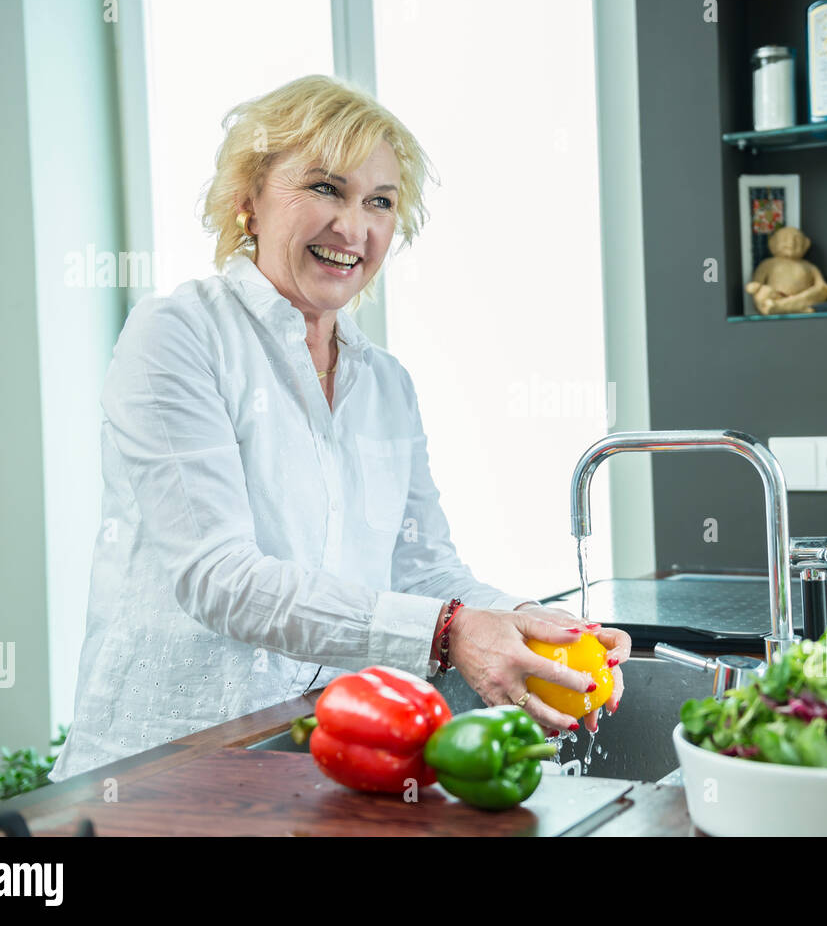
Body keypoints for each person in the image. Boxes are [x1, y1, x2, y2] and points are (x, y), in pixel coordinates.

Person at [48, 75, 629, 781]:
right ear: (248, 200)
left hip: (317, 756)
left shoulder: (386, 384)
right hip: (164, 768)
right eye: (325, 188)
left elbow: (425, 567)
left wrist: (537, 627)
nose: (353, 227)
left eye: (379, 202)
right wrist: (448, 631)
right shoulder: (177, 335)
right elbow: (219, 576)